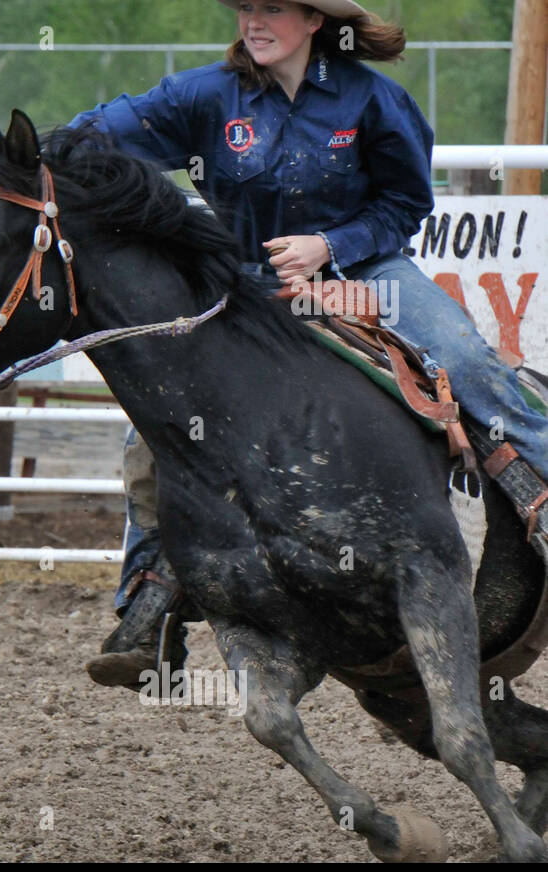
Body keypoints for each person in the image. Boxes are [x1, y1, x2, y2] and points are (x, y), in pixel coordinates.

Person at [69, 0, 548, 689]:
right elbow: (102, 132)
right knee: (156, 433)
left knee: (465, 356)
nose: (253, 22)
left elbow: (405, 204)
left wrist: (330, 245)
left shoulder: (372, 100)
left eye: (271, 9)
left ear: (315, 20)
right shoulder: (204, 96)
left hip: (367, 274)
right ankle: (148, 604)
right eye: (245, 8)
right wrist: (38, 152)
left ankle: (540, 489)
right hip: (245, 286)